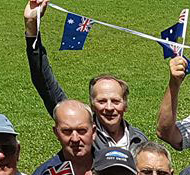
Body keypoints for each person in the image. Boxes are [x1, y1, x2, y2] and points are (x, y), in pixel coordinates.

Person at [24, 0, 150, 151]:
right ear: (92, 105)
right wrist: (32, 28)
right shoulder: (82, 131)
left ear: (125, 105)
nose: (109, 108)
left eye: (115, 101)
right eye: (102, 101)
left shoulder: (139, 140)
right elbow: (44, 82)